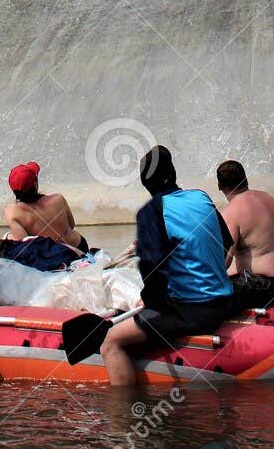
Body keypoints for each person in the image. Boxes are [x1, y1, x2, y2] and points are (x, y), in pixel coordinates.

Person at [101, 147, 235, 387]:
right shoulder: (201, 196)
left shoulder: (152, 211)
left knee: (111, 342)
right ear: (173, 172)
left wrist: (150, 306)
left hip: (192, 312)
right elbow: (226, 246)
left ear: (146, 184)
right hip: (224, 302)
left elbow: (153, 270)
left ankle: (122, 416)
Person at [216, 159, 274, 309]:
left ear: (219, 186)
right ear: (245, 179)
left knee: (206, 298)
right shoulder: (270, 200)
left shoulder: (232, 212)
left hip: (258, 288)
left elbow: (223, 263)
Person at [3, 161, 87, 261]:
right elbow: (72, 224)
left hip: (51, 256)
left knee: (8, 237)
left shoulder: (12, 211)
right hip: (78, 247)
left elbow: (25, 245)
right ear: (35, 183)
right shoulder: (58, 199)